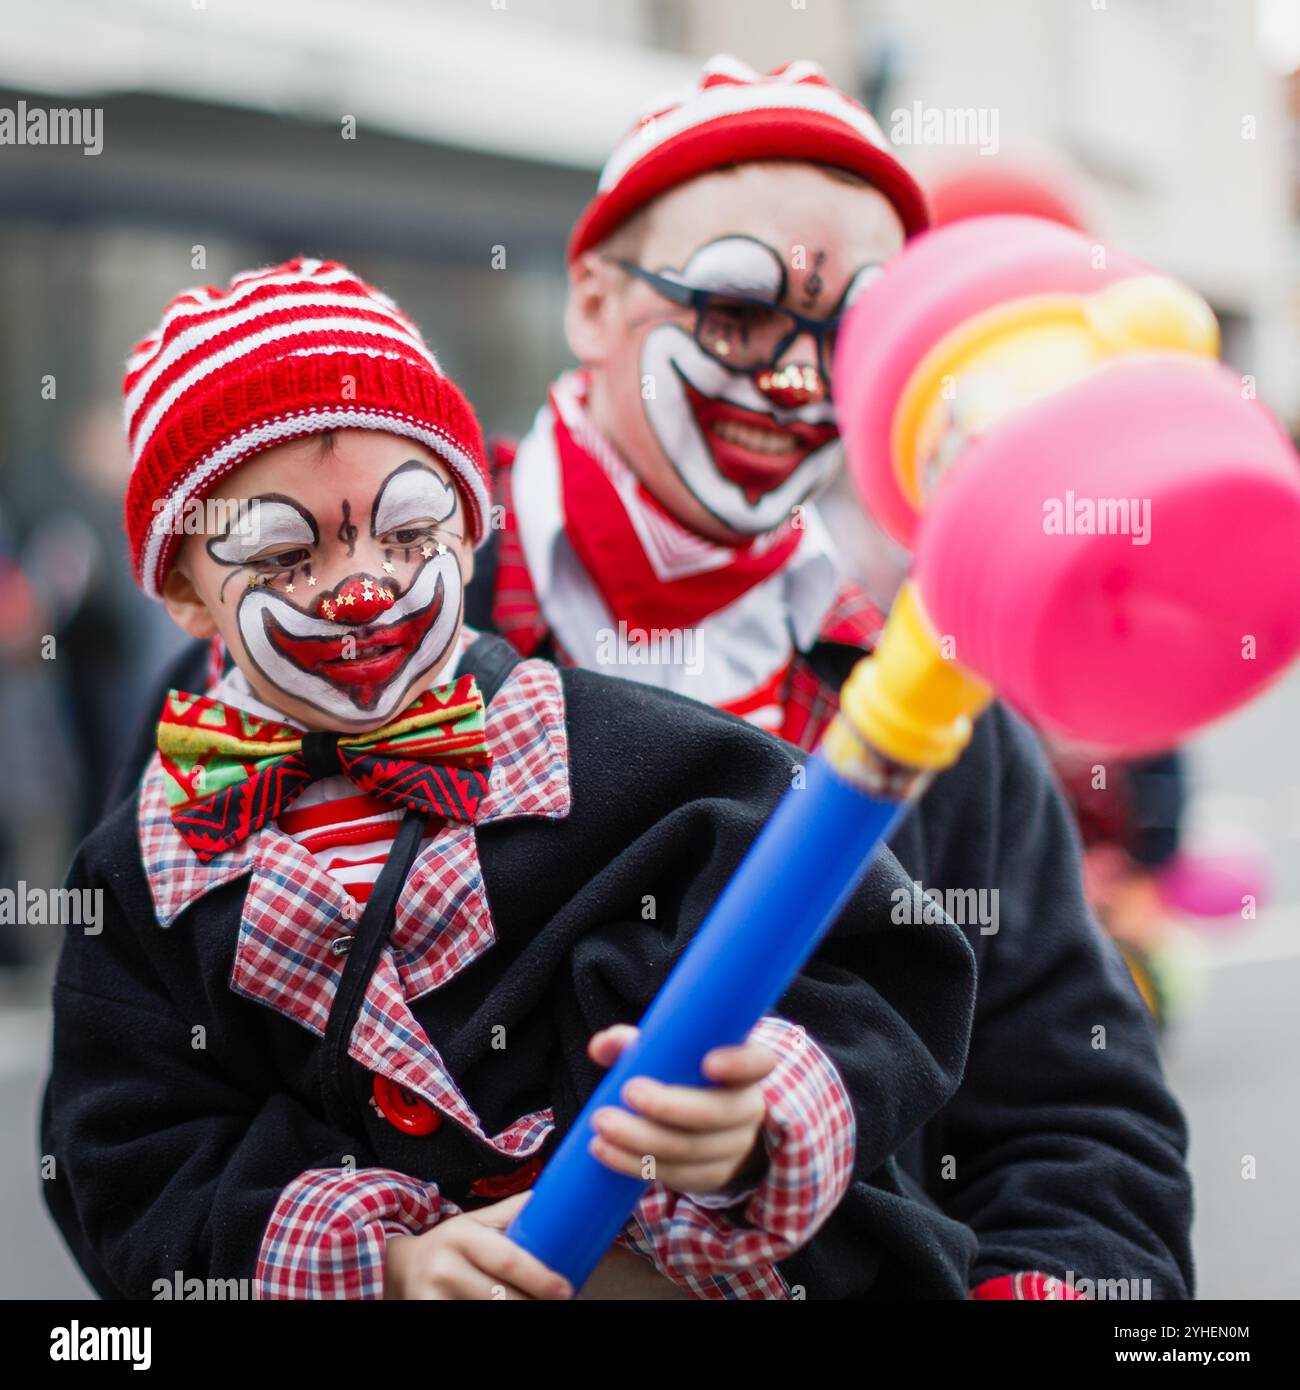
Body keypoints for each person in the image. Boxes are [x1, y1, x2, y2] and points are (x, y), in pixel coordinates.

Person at [40, 257, 980, 1301]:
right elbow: (128, 1159)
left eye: (406, 532)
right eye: (281, 558)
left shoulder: (645, 758)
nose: (361, 589)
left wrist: (760, 1115)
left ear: (465, 521)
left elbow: (880, 955)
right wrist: (381, 1265)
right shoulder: (137, 873)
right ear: (182, 591)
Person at [466, 55, 1194, 1299]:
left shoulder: (939, 708)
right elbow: (154, 1104)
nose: (792, 380)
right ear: (591, 299)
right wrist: (364, 1262)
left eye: (849, 332)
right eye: (735, 311)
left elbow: (1081, 1129)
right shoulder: (360, 627)